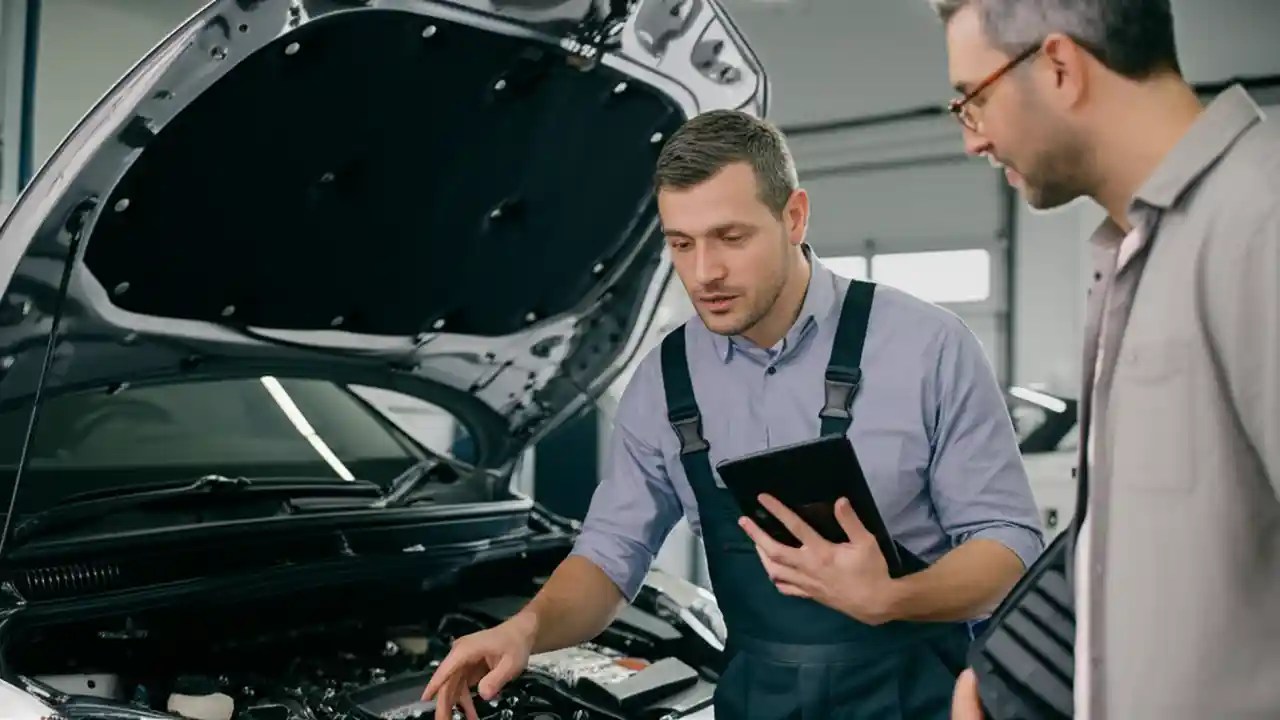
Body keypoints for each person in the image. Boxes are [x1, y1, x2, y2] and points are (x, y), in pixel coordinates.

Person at [421, 109, 1045, 720]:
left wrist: (894, 597)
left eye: (730, 237)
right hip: (755, 703)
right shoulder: (664, 383)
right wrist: (527, 630)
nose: (704, 273)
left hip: (917, 699)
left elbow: (1008, 544)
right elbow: (611, 554)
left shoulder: (928, 346)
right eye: (681, 244)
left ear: (794, 217)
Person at [929, 1, 1280, 718]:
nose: (973, 139)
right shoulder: (1136, 251)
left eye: (975, 98)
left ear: (1059, 66)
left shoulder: (1259, 224)